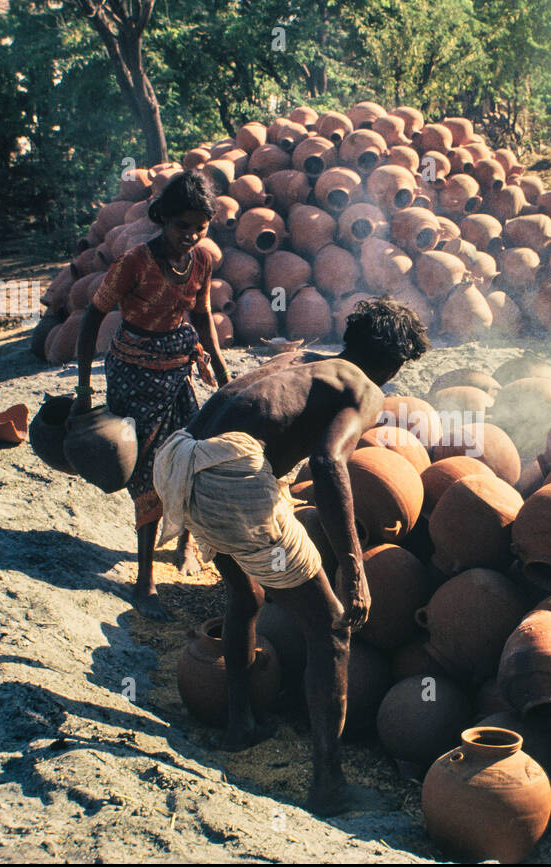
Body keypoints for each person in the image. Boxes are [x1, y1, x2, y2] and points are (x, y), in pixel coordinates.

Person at [151, 298, 430, 815]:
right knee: (330, 627)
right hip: (228, 481)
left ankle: (240, 726)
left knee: (246, 591)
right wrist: (353, 568)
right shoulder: (362, 388)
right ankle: (329, 786)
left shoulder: (303, 363)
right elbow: (329, 464)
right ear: (393, 364)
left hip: (180, 463)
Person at [72, 172, 231, 621]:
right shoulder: (133, 263)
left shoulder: (201, 260)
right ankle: (144, 582)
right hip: (133, 373)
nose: (191, 236)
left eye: (200, 227)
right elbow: (91, 318)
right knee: (148, 476)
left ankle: (184, 548)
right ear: (161, 219)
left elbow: (200, 315)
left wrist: (219, 371)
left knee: (188, 456)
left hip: (177, 368)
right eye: (183, 226)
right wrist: (84, 388)